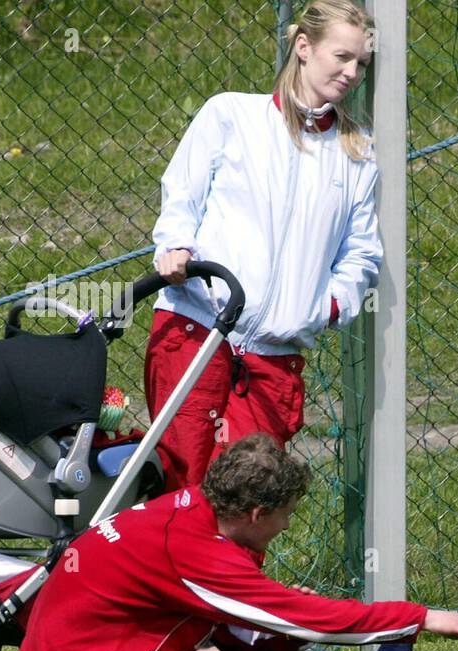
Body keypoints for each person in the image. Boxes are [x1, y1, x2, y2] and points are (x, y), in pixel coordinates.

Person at [14, 434, 458, 651]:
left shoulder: (192, 507)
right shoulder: (196, 550)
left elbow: (249, 625)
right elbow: (303, 616)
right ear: (256, 514)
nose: (287, 525)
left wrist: (288, 629)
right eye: (286, 513)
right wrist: (424, 617)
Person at [146, 0, 380, 491]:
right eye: (341, 56)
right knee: (181, 490)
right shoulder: (232, 115)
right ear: (302, 47)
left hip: (273, 358)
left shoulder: (356, 153)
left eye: (361, 63)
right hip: (198, 333)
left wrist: (325, 306)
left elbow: (361, 254)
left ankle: (236, 573)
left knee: (250, 503)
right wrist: (176, 248)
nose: (351, 72)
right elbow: (182, 195)